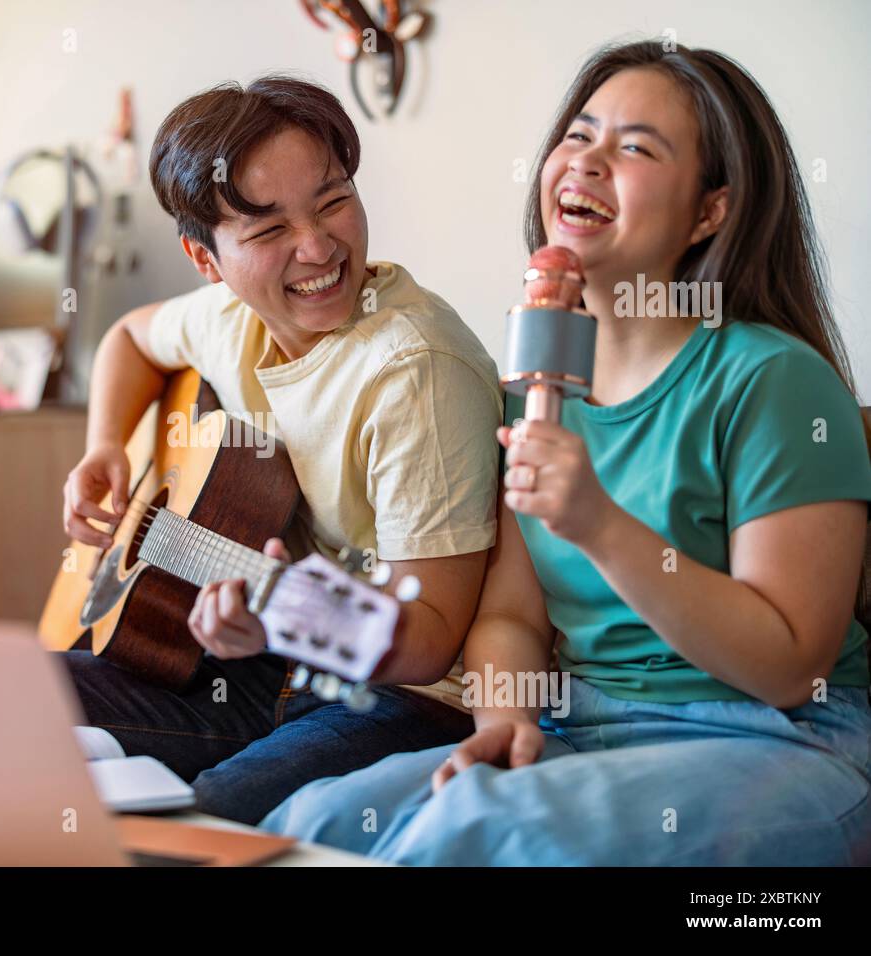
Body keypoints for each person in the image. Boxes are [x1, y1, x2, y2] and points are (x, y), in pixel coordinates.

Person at [263, 41, 871, 864]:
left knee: (482, 834)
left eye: (635, 147)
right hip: (578, 723)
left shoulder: (773, 381)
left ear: (709, 212)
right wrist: (506, 723)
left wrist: (598, 523)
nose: (586, 162)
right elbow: (512, 614)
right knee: (314, 820)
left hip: (776, 740)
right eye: (579, 135)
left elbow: (791, 666)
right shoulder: (545, 380)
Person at [60, 75, 503, 825]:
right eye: (268, 232)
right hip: (268, 663)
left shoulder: (415, 369)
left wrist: (277, 619)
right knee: (2, 703)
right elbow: (130, 337)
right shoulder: (229, 320)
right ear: (207, 262)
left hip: (404, 699)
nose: (318, 245)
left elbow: (431, 640)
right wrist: (104, 447)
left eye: (333, 201)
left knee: (202, 819)